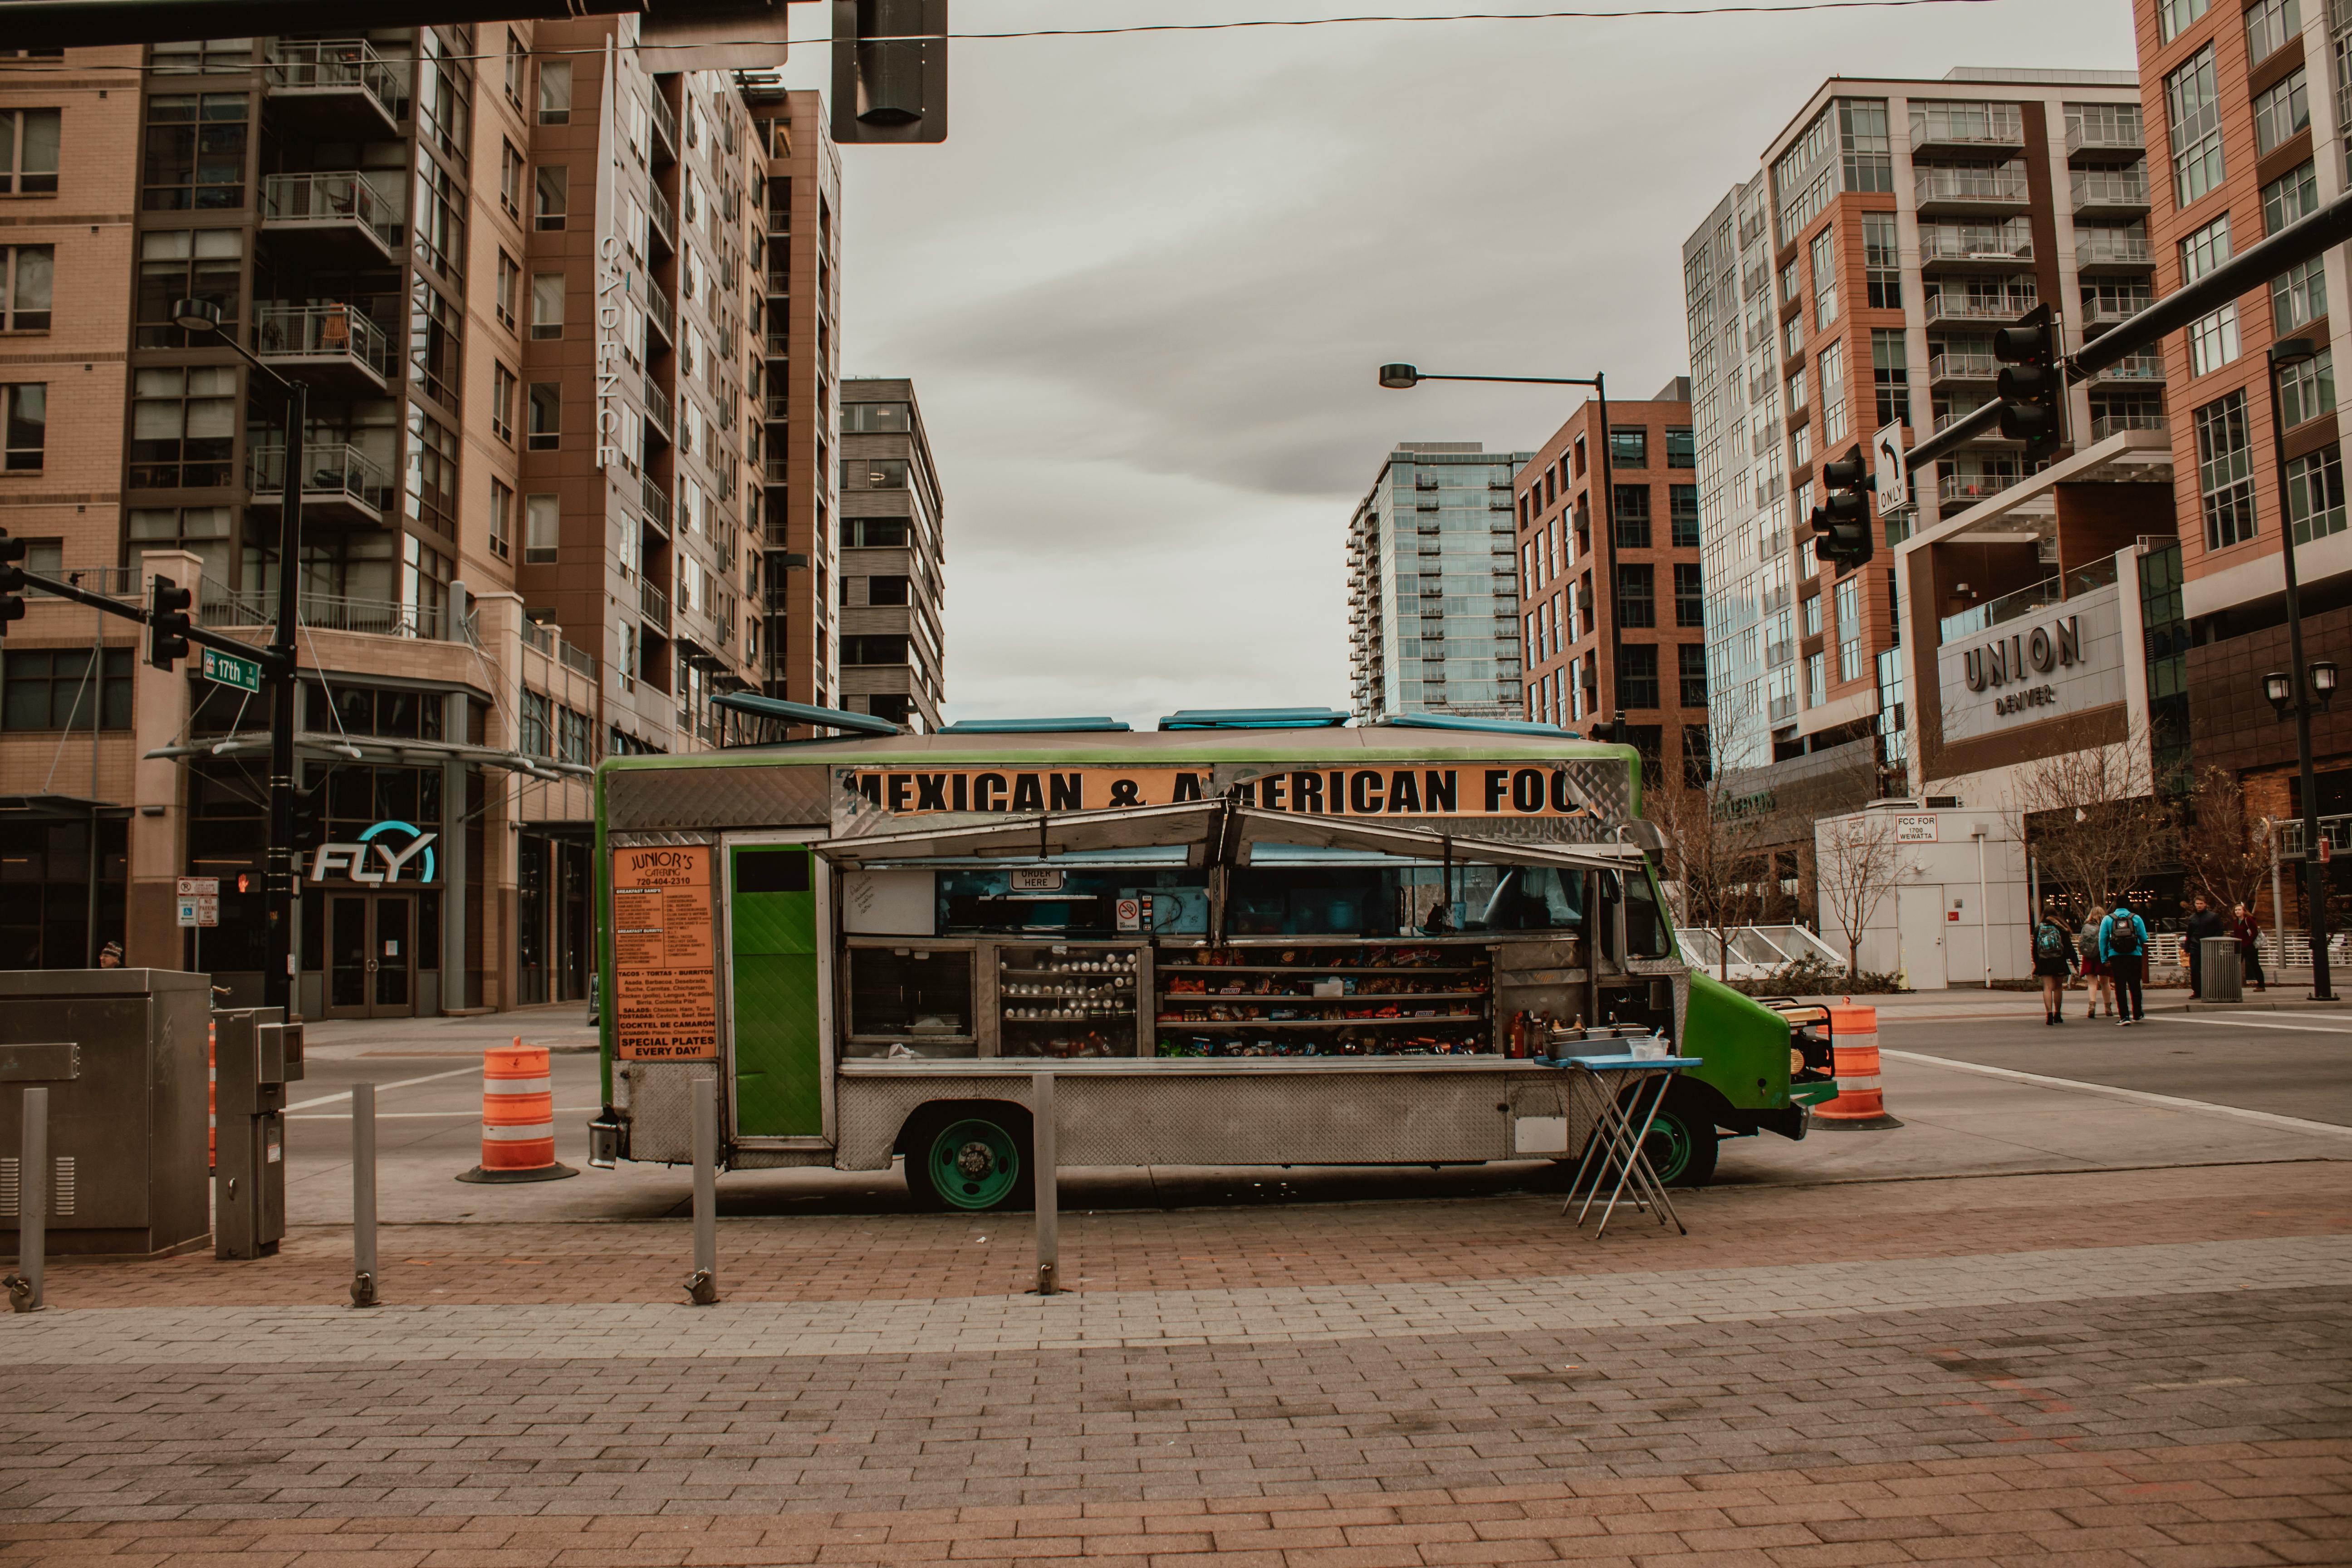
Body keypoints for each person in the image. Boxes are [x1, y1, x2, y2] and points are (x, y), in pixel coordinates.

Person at [2101, 903, 2150, 1024]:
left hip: (2116, 956)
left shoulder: (2108, 919)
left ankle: (2124, 1016)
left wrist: (2104, 958)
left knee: (2120, 985)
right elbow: (2144, 938)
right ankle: (2137, 1014)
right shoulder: (2136, 918)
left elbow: (2102, 940)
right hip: (2134, 955)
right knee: (2135, 985)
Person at [2032, 901, 2078, 1025]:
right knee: (2058, 987)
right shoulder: (2061, 928)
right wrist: (2076, 963)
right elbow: (2069, 947)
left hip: (2044, 961)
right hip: (2059, 960)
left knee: (2047, 988)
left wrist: (2036, 963)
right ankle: (2058, 1014)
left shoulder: (2039, 929)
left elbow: (2035, 949)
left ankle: (2049, 1015)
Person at [2184, 894, 2225, 998]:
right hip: (2195, 947)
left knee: (2210, 969)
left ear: (2205, 904)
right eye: (2197, 904)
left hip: (2209, 947)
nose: (2199, 906)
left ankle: (2212, 990)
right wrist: (2187, 949)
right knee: (2195, 970)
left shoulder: (2213, 917)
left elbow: (2220, 930)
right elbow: (2189, 934)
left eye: (2201, 904)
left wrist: (2213, 941)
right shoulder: (2192, 918)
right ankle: (2197, 991)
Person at [2078, 905, 2112, 1019]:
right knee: (2105, 983)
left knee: (2092, 983)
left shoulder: (2087, 926)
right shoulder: (2106, 926)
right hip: (2102, 956)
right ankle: (2108, 1008)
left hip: (2089, 956)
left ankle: (2092, 1006)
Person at [2232, 902, 2266, 992]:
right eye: (2236, 910)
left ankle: (2261, 985)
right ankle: (2232, 985)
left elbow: (2255, 933)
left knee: (2255, 965)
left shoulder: (2248, 920)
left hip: (2250, 947)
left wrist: (2247, 943)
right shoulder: (2236, 922)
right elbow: (2236, 934)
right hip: (2239, 946)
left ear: (2244, 911)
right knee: (2235, 965)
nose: (2237, 912)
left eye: (2239, 910)